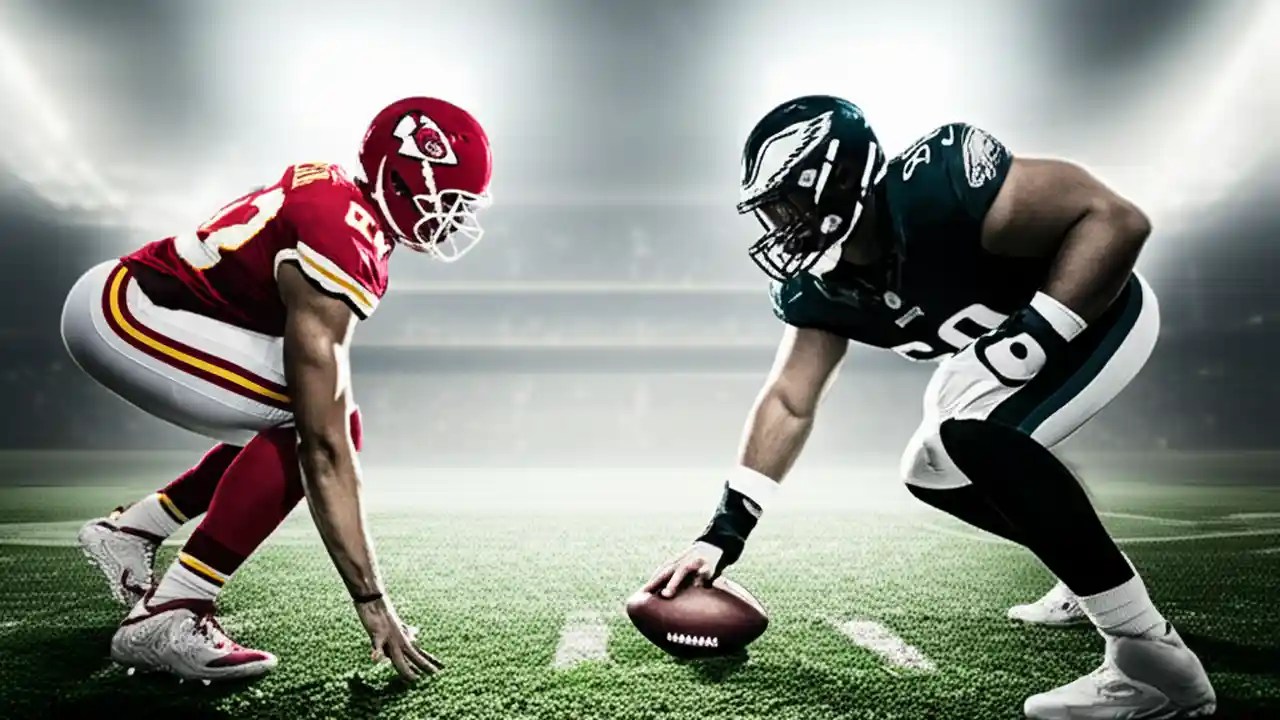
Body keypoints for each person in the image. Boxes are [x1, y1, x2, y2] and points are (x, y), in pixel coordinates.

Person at [643, 95, 1215, 720]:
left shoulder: (940, 190)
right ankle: (1092, 577)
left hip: (1099, 319)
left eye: (790, 202)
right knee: (931, 470)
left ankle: (1151, 661)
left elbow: (1115, 220)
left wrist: (1035, 336)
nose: (783, 225)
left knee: (966, 432)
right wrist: (722, 533)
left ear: (835, 181)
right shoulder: (820, 288)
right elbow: (789, 399)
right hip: (1012, 352)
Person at [63, 97, 492, 683]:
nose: (453, 217)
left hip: (129, 297)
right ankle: (171, 609)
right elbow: (324, 445)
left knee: (298, 414)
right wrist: (372, 600)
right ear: (402, 174)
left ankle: (136, 529)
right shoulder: (345, 237)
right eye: (449, 199)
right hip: (128, 313)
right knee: (316, 425)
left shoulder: (341, 195)